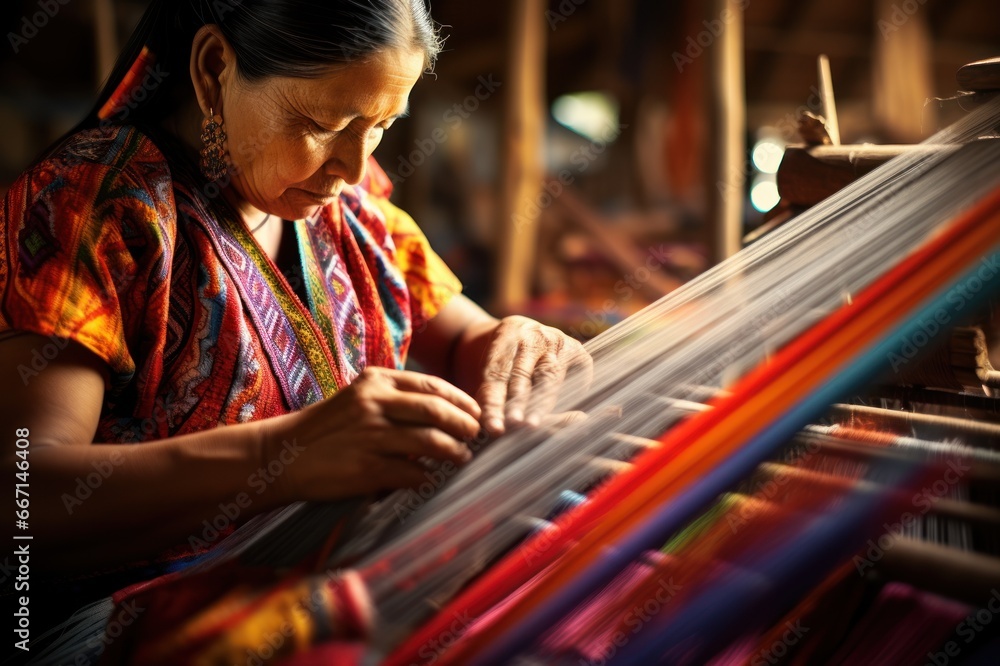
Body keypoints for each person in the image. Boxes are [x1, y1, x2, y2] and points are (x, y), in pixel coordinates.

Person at [0, 0, 589, 654]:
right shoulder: (91, 208)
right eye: (322, 122)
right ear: (214, 69)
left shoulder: (354, 214)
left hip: (330, 578)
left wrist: (515, 349)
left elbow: (468, 339)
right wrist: (281, 456)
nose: (351, 162)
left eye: (382, 126)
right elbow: (22, 492)